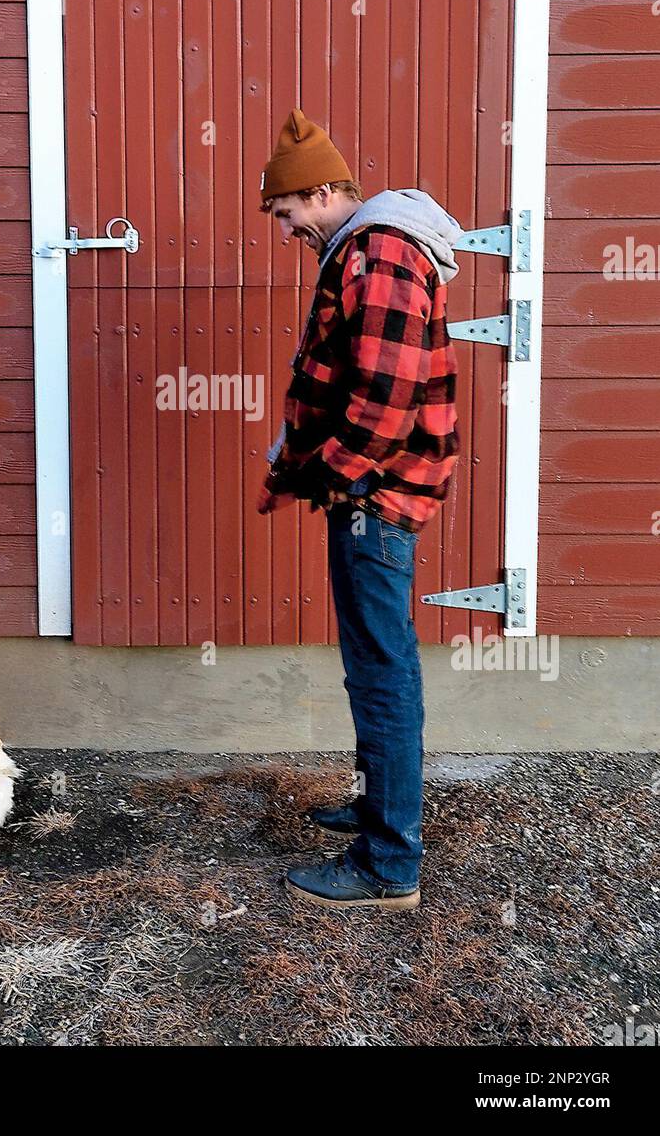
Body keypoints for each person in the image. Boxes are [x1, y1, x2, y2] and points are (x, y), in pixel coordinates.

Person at [257, 109, 462, 912]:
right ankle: (382, 811)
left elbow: (386, 397)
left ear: (325, 191)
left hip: (375, 492)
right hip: (368, 487)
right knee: (381, 662)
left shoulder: (378, 254)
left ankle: (387, 865)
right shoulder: (364, 249)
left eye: (285, 212)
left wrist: (337, 477)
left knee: (381, 669)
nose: (283, 230)